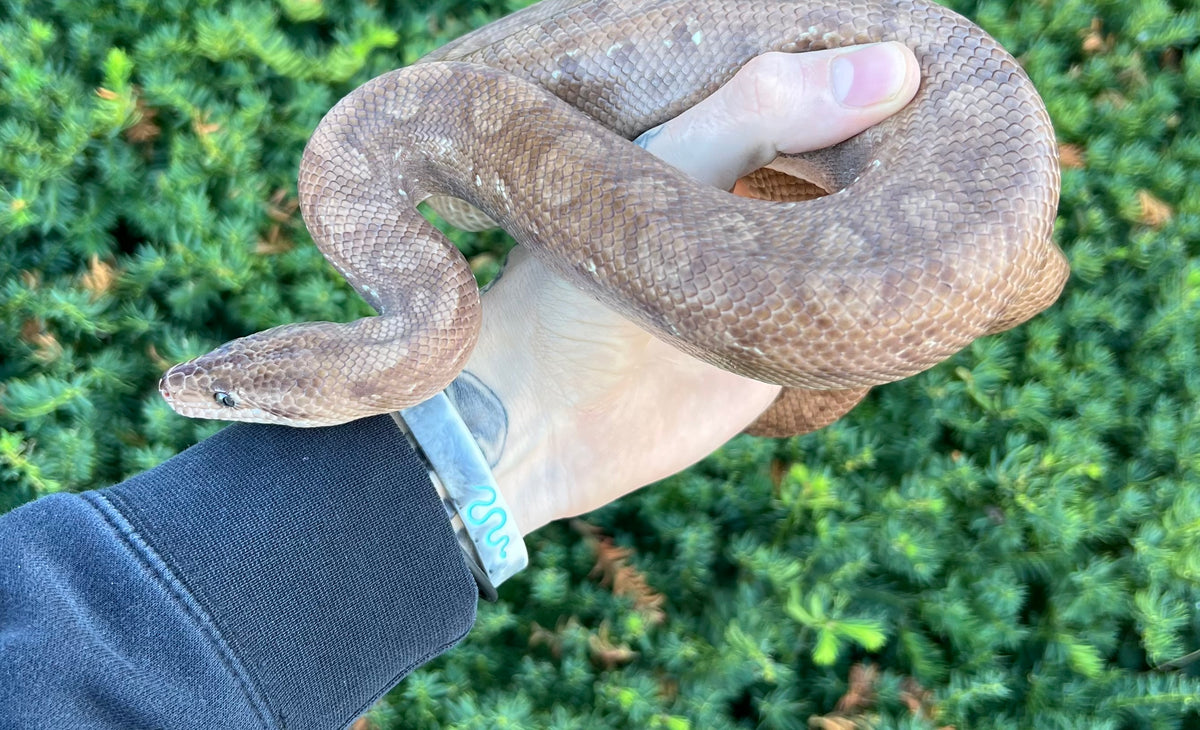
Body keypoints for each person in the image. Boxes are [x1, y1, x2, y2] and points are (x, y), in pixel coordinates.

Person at [0, 42, 918, 730]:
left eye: (232, 398)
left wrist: (520, 433)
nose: (204, 399)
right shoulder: (400, 292)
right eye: (231, 400)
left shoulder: (385, 244)